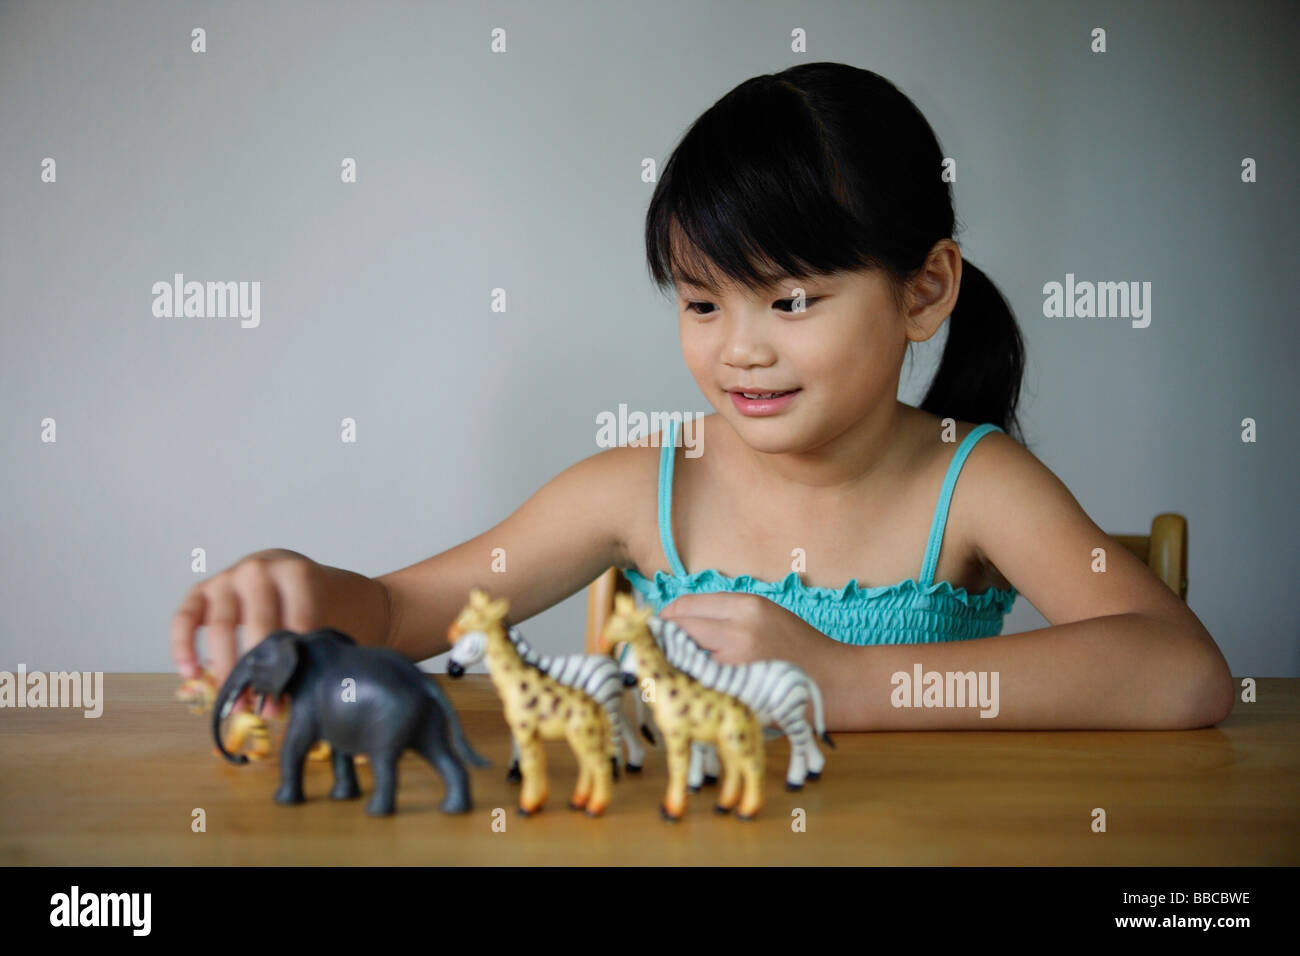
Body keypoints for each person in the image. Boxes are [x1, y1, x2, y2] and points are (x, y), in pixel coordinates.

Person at [170, 62, 1232, 731]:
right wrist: (307, 593)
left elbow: (1181, 671)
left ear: (924, 289)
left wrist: (848, 684)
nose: (741, 351)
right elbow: (404, 610)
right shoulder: (640, 487)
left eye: (790, 298)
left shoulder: (973, 480)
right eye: (701, 302)